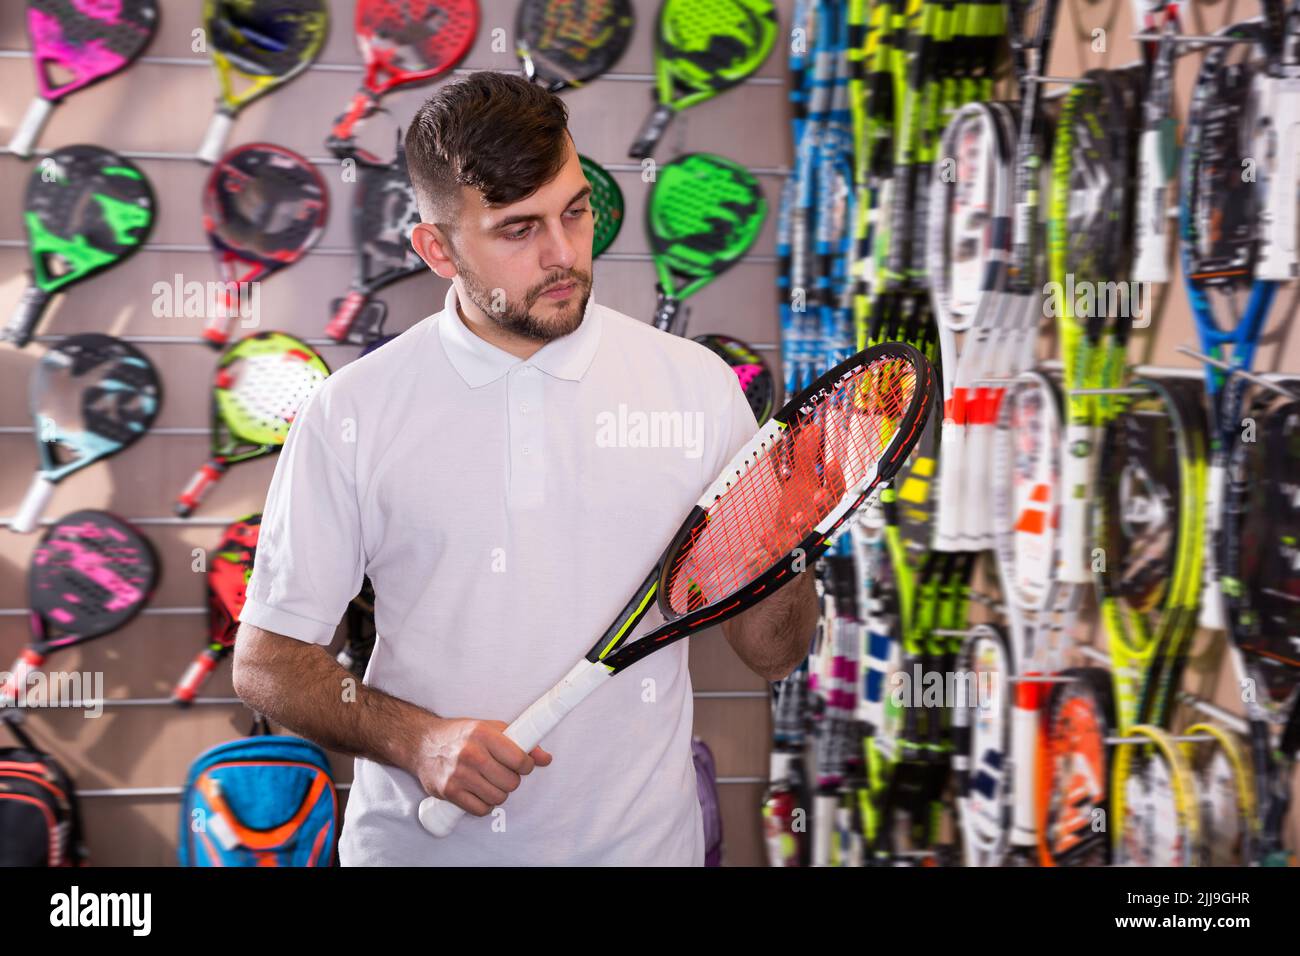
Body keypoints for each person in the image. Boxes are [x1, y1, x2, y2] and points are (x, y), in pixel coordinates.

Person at [232, 71, 817, 865]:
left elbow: (774, 652)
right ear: (437, 249)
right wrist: (418, 742)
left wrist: (784, 542)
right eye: (518, 230)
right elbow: (268, 665)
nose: (564, 254)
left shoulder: (697, 388)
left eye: (575, 211)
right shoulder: (353, 412)